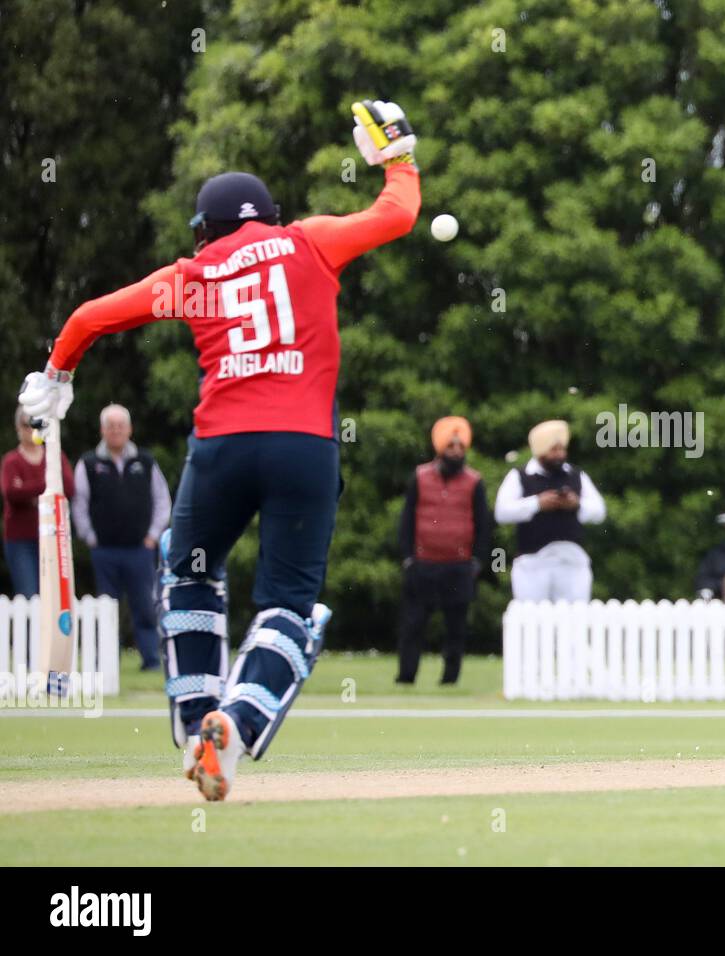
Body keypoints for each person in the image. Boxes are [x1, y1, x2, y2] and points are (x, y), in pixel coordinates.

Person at [18, 100, 421, 800]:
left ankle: (196, 711)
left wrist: (58, 375)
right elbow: (398, 213)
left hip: (223, 448)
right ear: (267, 215)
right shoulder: (310, 240)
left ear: (204, 231)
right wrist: (397, 154)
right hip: (303, 447)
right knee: (289, 608)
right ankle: (234, 720)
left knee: (190, 575)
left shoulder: (192, 275)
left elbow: (88, 317)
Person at [72, 404, 171, 670]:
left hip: (140, 549)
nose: (116, 430)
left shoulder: (145, 461)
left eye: (120, 425)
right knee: (107, 607)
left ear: (129, 429)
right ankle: (107, 662)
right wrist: (90, 536)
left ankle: (151, 660)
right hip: (104, 549)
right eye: (111, 426)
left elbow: (162, 500)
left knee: (146, 606)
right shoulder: (90, 463)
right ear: (103, 429)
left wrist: (152, 536)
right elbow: (79, 503)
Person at [396, 416, 492, 686]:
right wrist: (407, 557)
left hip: (459, 565)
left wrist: (477, 560)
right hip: (423, 563)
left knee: (456, 627)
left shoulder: (474, 481)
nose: (456, 452)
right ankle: (406, 676)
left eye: (460, 447)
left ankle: (450, 679)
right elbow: (407, 518)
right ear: (440, 448)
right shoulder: (420, 476)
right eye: (451, 446)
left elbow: (483, 523)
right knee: (413, 624)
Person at [494, 420, 606, 601]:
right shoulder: (520, 476)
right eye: (554, 450)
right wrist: (538, 503)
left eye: (562, 449)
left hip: (571, 563)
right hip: (533, 564)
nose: (560, 455)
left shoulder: (576, 475)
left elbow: (599, 511)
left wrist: (576, 504)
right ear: (540, 450)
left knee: (572, 620)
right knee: (533, 622)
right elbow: (501, 512)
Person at [2, 408, 74, 597]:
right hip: (21, 539)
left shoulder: (55, 455)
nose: (31, 430)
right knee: (28, 593)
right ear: (18, 427)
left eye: (36, 425)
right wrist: (48, 485)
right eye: (27, 425)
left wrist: (27, 488)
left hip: (52, 536)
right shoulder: (11, 461)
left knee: (54, 593)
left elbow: (69, 487)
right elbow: (11, 493)